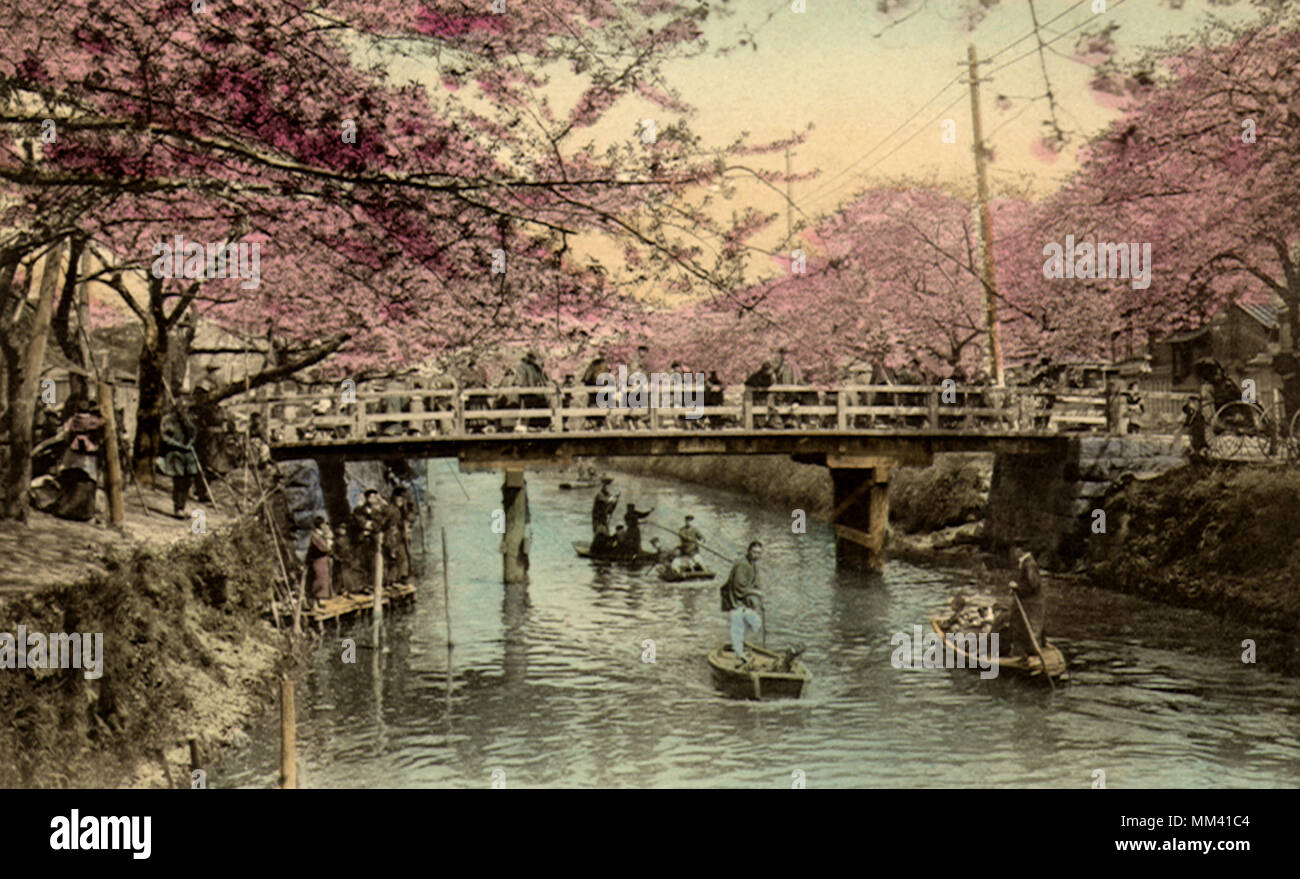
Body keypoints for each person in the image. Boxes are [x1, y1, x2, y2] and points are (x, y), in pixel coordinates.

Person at [40, 399, 106, 522]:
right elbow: (103, 422)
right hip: (87, 456)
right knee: (87, 481)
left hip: (72, 453)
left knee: (70, 480)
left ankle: (65, 507)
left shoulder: (72, 420)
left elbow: (65, 433)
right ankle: (84, 512)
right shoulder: (93, 421)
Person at [720, 541, 764, 665]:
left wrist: (758, 596)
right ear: (749, 551)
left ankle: (741, 644)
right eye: (754, 552)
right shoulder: (742, 565)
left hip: (745, 602)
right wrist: (755, 593)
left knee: (756, 623)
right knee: (737, 626)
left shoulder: (753, 565)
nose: (756, 555)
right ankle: (740, 654)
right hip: (735, 601)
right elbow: (738, 587)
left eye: (759, 553)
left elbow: (756, 583)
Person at [158, 395, 201, 518]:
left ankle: (182, 506)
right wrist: (178, 445)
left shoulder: (189, 420)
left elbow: (194, 433)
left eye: (186, 408)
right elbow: (165, 438)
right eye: (182, 408)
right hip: (175, 453)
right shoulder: (168, 420)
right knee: (179, 481)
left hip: (188, 454)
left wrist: (190, 442)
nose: (184, 410)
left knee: (188, 481)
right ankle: (177, 508)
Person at [1007, 547, 1048, 657]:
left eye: (1014, 550)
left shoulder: (1029, 564)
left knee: (1030, 626)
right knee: (1021, 623)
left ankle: (1031, 652)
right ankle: (1024, 651)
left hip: (1032, 603)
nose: (1013, 553)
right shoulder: (1025, 563)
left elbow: (1033, 585)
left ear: (1020, 550)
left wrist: (1017, 587)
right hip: (1028, 601)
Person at [305, 515, 334, 606]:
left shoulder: (320, 534)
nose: (324, 526)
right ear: (319, 525)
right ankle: (319, 599)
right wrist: (329, 545)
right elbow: (324, 547)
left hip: (323, 559)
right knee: (320, 578)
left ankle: (322, 599)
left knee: (325, 577)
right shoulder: (315, 536)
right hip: (318, 559)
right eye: (323, 524)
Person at [591, 477, 619, 546]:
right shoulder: (599, 495)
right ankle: (597, 544)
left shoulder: (609, 495)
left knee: (606, 533)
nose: (606, 487)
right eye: (605, 485)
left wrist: (615, 502)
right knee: (599, 532)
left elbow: (610, 509)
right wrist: (613, 498)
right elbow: (606, 501)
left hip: (604, 518)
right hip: (597, 518)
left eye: (608, 485)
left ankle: (604, 544)